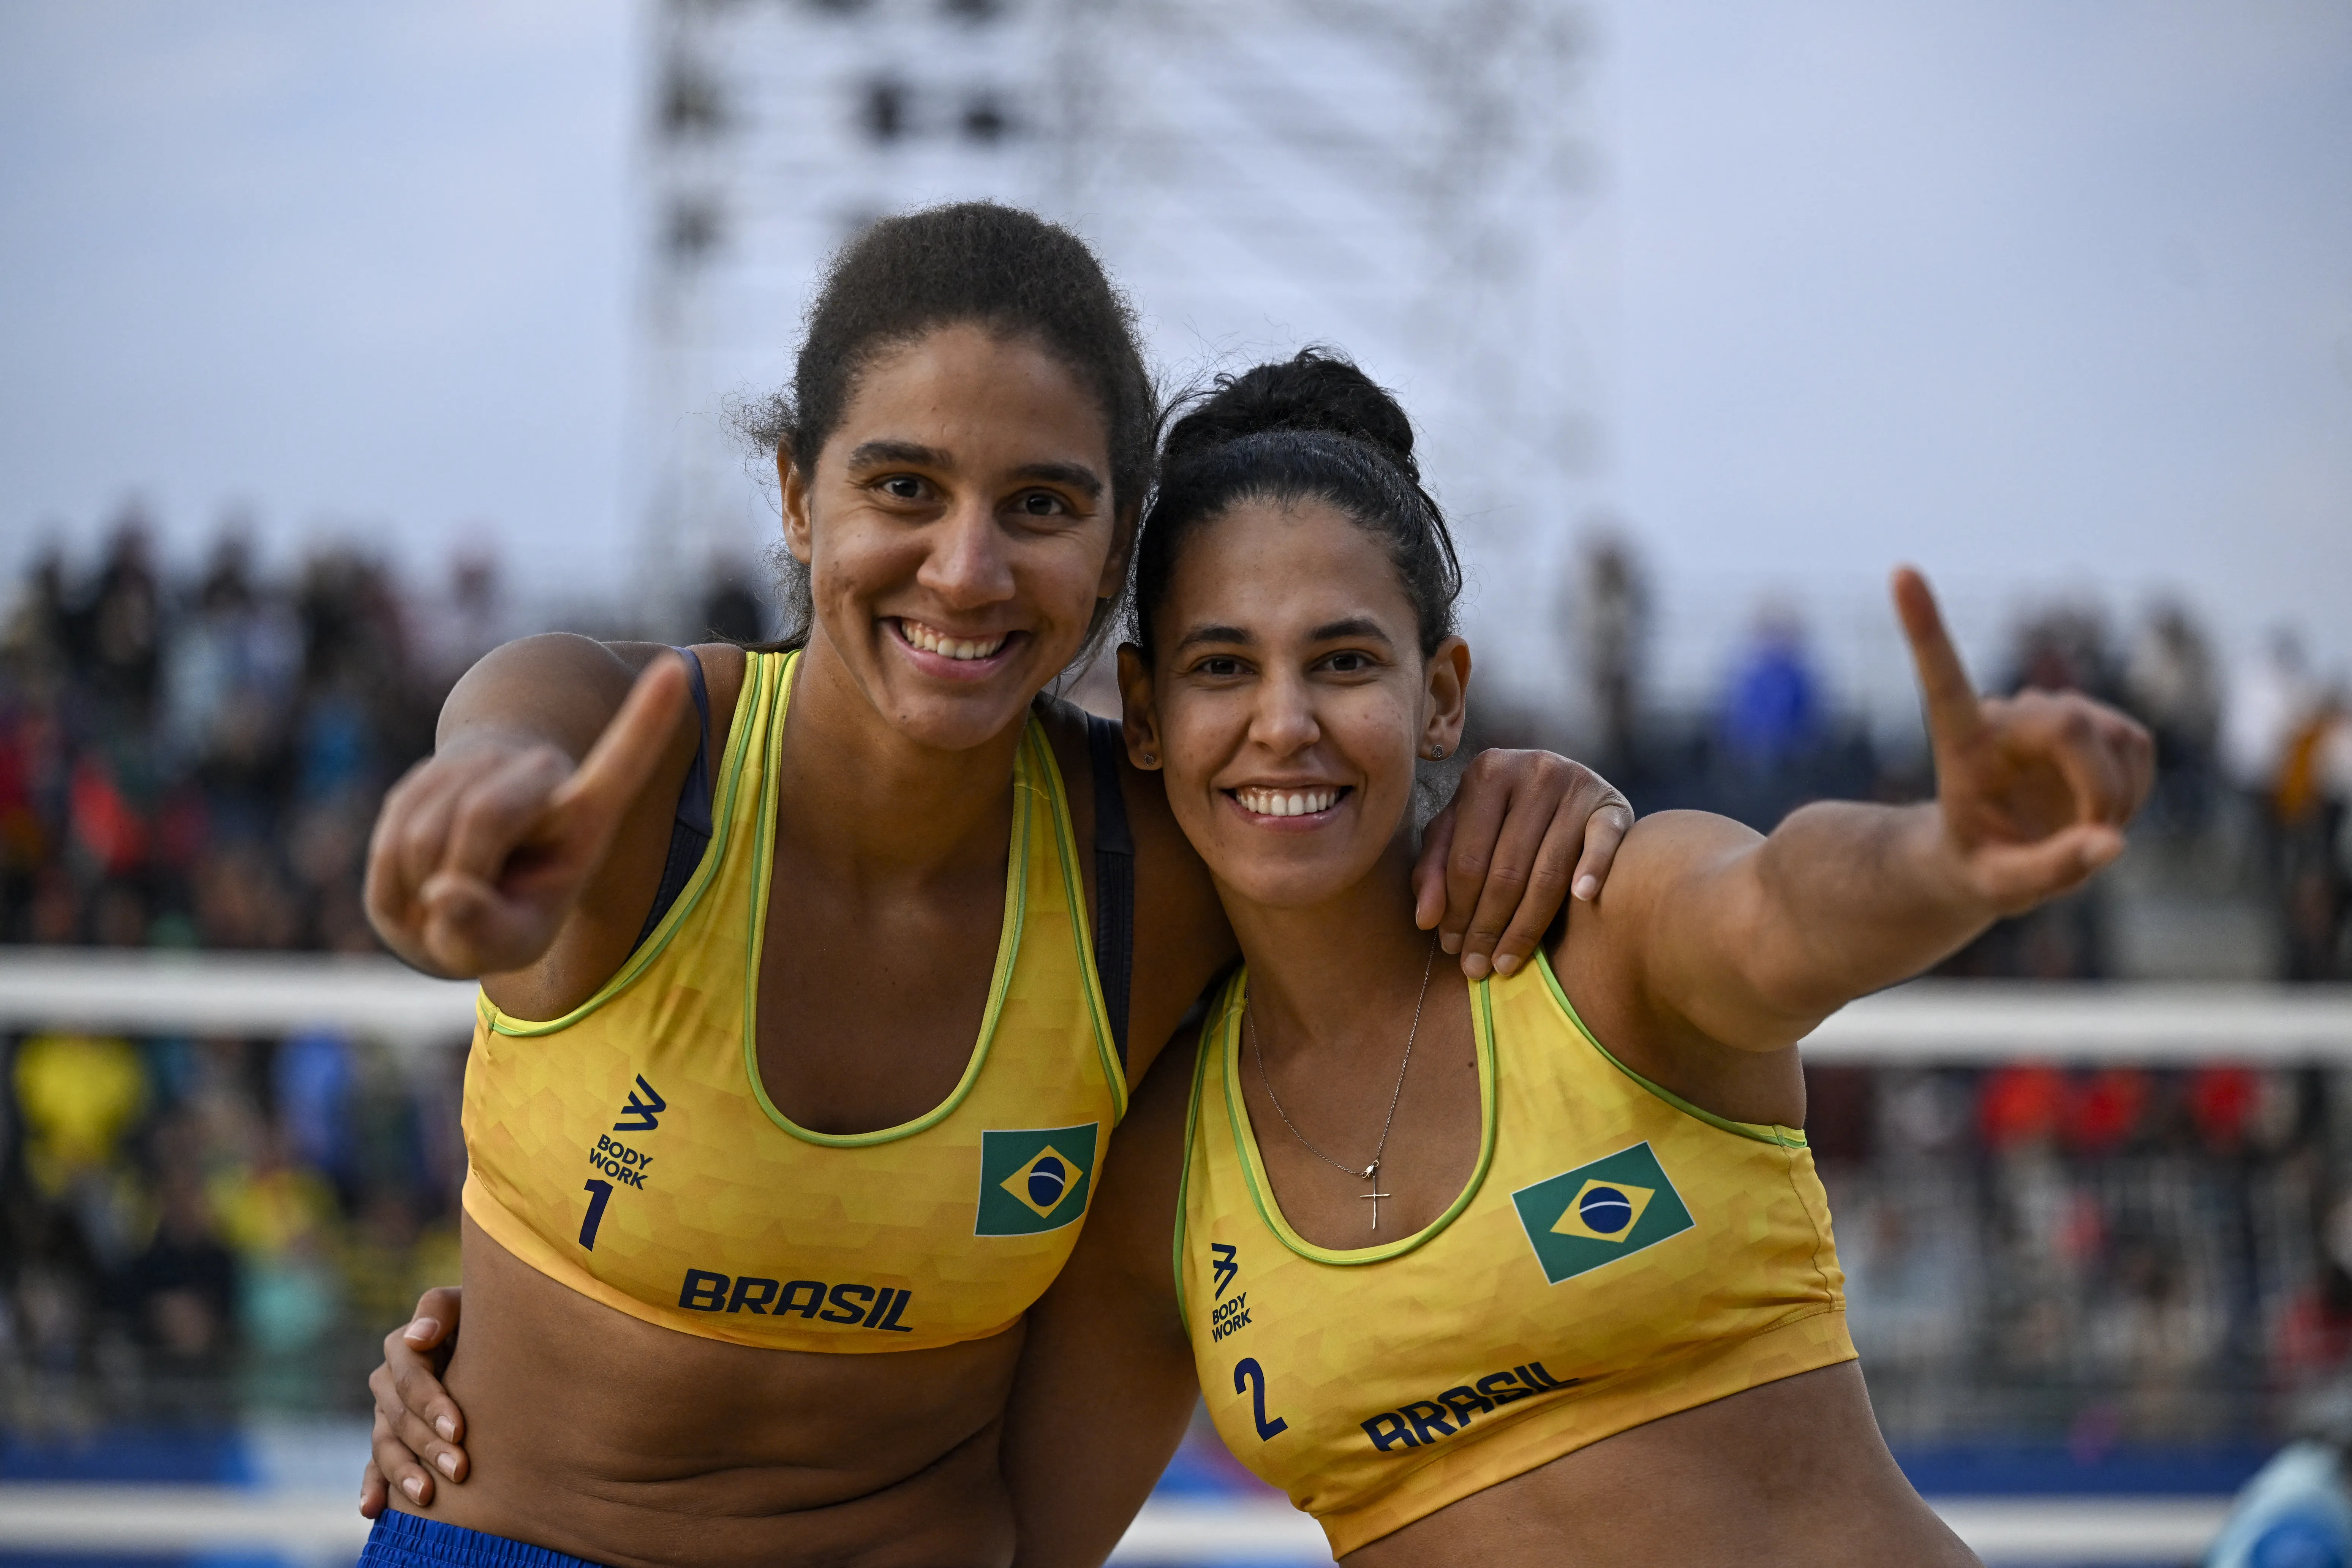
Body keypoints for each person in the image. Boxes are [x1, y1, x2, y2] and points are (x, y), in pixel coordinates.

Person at [350, 210, 1629, 1568]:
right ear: (796, 493)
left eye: (1040, 506)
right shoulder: (633, 757)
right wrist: (462, 842)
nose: (966, 571)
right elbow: (497, 758)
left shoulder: (1166, 867)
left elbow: (1382, 848)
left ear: (1115, 541)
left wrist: (1552, 795)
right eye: (903, 487)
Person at [989, 351, 2154, 1565]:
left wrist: (1943, 855)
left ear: (1441, 696)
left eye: (1343, 663)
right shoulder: (1167, 1173)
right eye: (1223, 667)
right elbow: (1011, 1543)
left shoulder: (1603, 933)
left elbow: (1787, 904)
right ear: (1144, 711)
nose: (1284, 723)